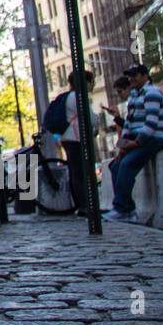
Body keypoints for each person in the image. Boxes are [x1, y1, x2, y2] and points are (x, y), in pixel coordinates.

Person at [106, 64, 163, 223]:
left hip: (154, 138)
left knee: (127, 164)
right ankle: (124, 207)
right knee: (115, 165)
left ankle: (124, 208)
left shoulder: (152, 93)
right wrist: (123, 146)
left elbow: (151, 124)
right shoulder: (134, 97)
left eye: (134, 75)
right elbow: (128, 124)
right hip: (137, 140)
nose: (131, 79)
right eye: (130, 76)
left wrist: (135, 144)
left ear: (144, 76)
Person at [60, 69, 94, 215]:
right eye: (90, 81)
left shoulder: (69, 97)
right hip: (76, 137)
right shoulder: (78, 97)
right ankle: (85, 205)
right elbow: (90, 118)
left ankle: (82, 205)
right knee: (80, 172)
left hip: (68, 138)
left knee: (76, 172)